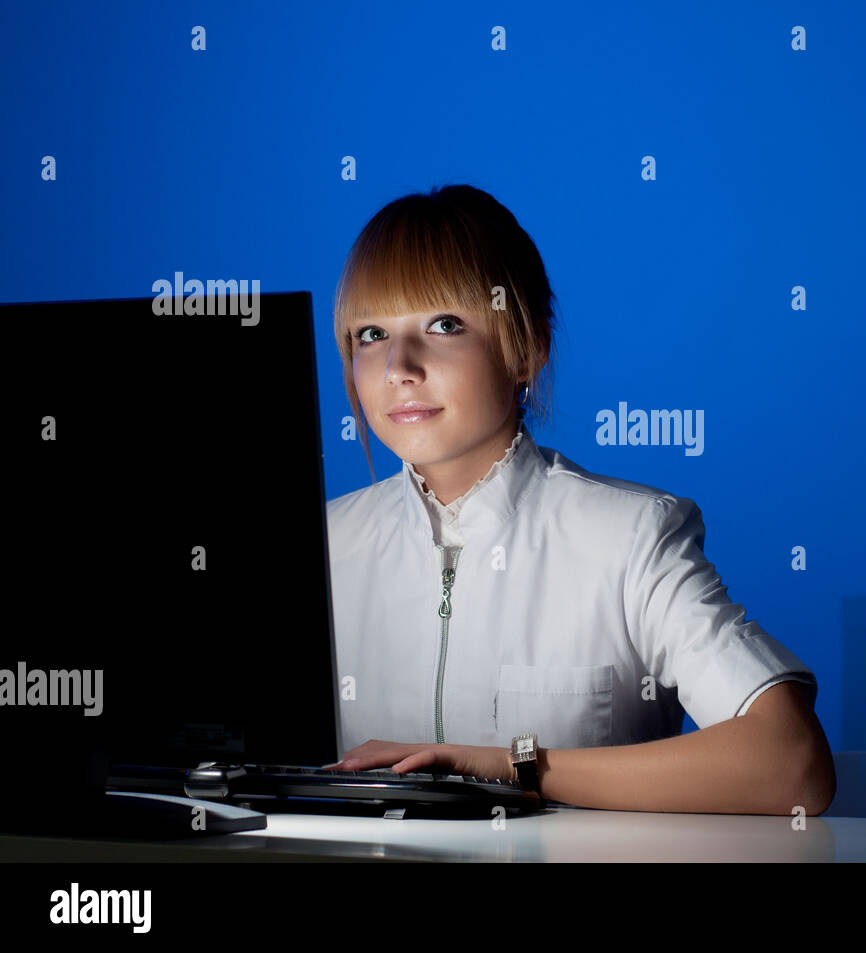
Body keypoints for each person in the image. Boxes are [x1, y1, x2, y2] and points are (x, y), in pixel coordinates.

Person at [323, 185, 836, 815]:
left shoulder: (633, 537)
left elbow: (791, 764)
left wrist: (509, 766)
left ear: (527, 350)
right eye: (371, 333)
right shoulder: (318, 546)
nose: (399, 366)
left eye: (444, 325)